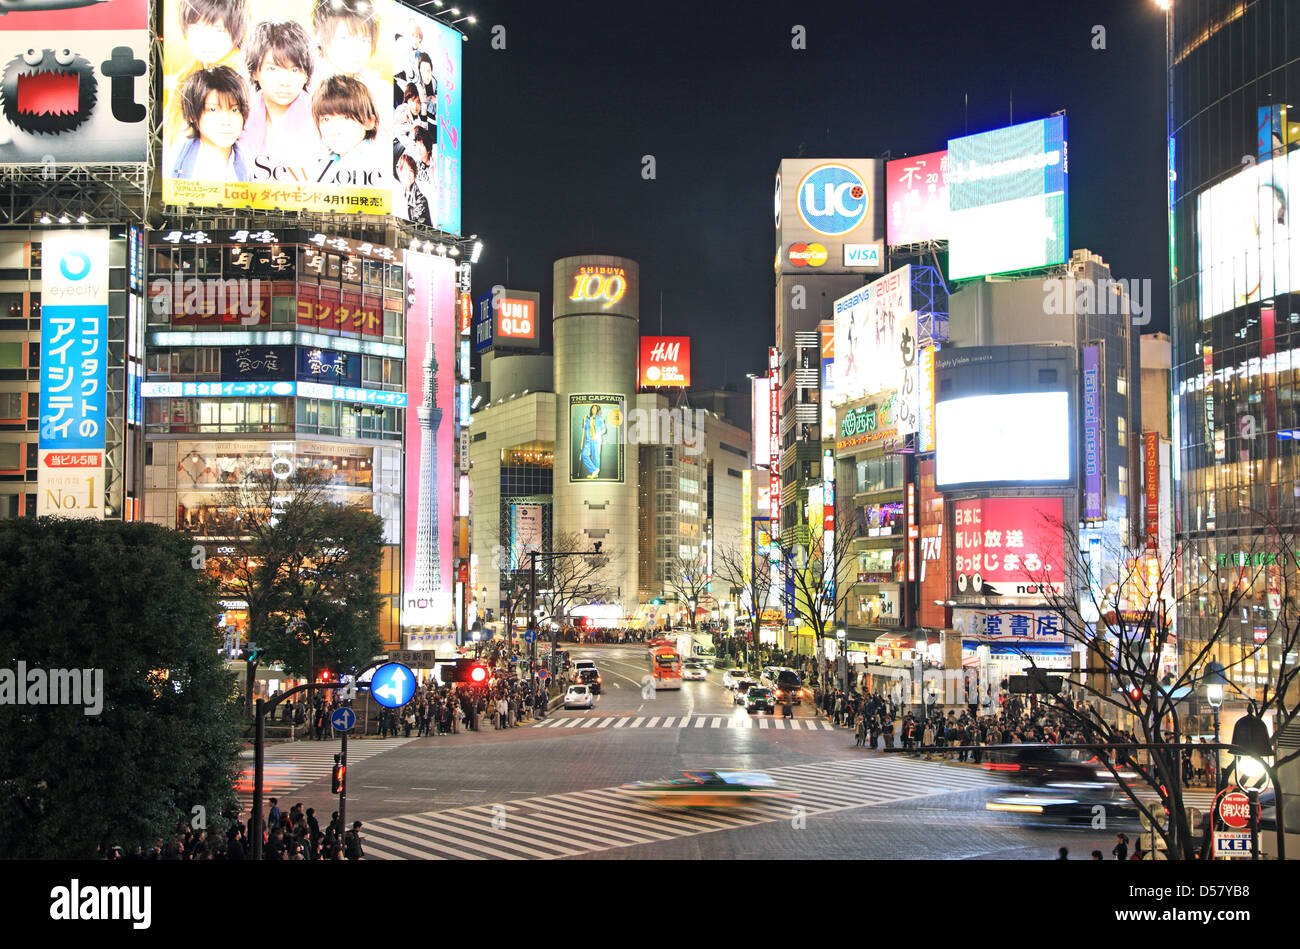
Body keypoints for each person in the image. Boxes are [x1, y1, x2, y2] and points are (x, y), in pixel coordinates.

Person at [164, 0, 251, 147]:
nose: (206, 40)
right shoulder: (186, 75)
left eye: (218, 30)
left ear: (237, 31)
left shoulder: (245, 77)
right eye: (197, 29)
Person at [239, 19, 318, 169]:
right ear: (255, 71)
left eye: (295, 70)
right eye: (273, 69)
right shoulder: (241, 113)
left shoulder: (320, 114)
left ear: (307, 74)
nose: (285, 81)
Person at [170, 66, 251, 182]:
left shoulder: (253, 164)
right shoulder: (175, 159)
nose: (226, 121)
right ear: (193, 116)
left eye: (234, 110)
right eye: (213, 110)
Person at [312, 75, 382, 174]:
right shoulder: (327, 159)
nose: (334, 128)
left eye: (346, 117)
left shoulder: (371, 162)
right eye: (326, 119)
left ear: (369, 122)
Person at [579, 404, 606, 478]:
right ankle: (594, 470)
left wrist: (596, 435)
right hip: (588, 440)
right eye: (592, 408)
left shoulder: (600, 419)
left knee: (595, 456)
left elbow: (604, 430)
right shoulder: (588, 419)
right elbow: (584, 428)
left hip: (596, 439)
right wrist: (584, 420)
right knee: (584, 455)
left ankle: (595, 474)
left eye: (595, 408)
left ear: (597, 410)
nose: (593, 410)